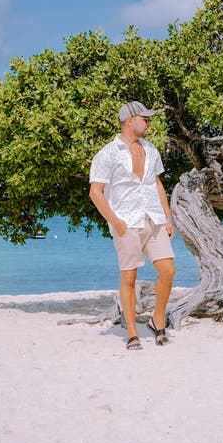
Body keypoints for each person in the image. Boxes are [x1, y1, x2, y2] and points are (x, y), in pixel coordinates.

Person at [89, 101, 175, 350]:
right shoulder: (108, 153)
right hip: (126, 222)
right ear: (130, 120)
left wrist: (167, 217)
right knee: (129, 277)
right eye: (145, 119)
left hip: (154, 219)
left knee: (168, 271)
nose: (149, 123)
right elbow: (96, 192)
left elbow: (157, 184)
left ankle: (157, 319)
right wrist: (116, 222)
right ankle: (132, 332)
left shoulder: (151, 149)